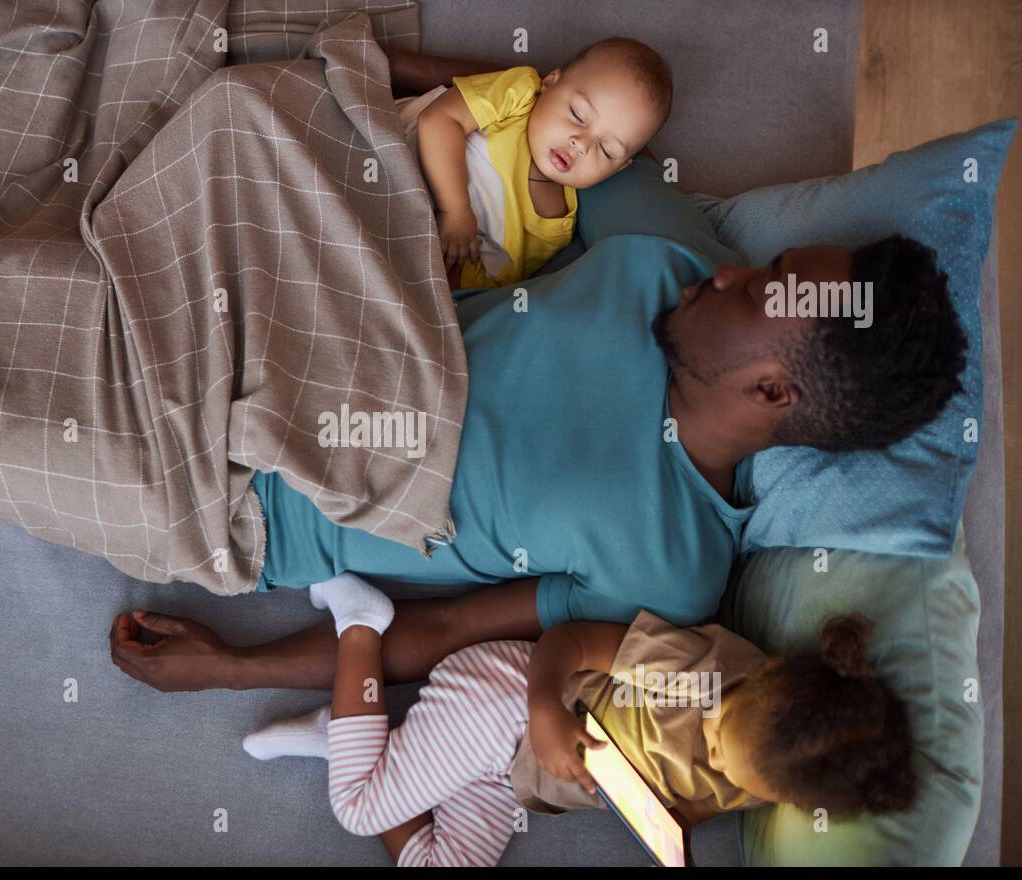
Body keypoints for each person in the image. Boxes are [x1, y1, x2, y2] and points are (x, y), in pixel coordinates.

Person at [105, 47, 967, 698]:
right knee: (235, 116)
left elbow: (439, 630)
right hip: (283, 325)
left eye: (764, 291)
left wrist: (231, 667)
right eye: (768, 262)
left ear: (774, 393)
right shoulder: (671, 258)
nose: (732, 271)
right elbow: (562, 130)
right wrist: (397, 72)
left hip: (240, 506)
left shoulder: (673, 569)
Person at [238, 573, 913, 866]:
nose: (709, 740)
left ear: (774, 796)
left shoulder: (765, 771)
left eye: (723, 762)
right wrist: (547, 714)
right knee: (358, 810)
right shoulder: (699, 669)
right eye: (719, 724)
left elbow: (694, 804)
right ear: (762, 676)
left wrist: (669, 845)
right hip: (511, 703)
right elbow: (572, 641)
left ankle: (353, 736)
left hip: (515, 777)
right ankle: (361, 623)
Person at [397, 37, 671, 289]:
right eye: (577, 114)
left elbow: (479, 282)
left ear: (619, 168)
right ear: (550, 82)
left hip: (403, 234)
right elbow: (439, 120)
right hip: (391, 150)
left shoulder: (554, 226)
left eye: (607, 150)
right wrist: (455, 211)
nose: (581, 144)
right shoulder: (520, 94)